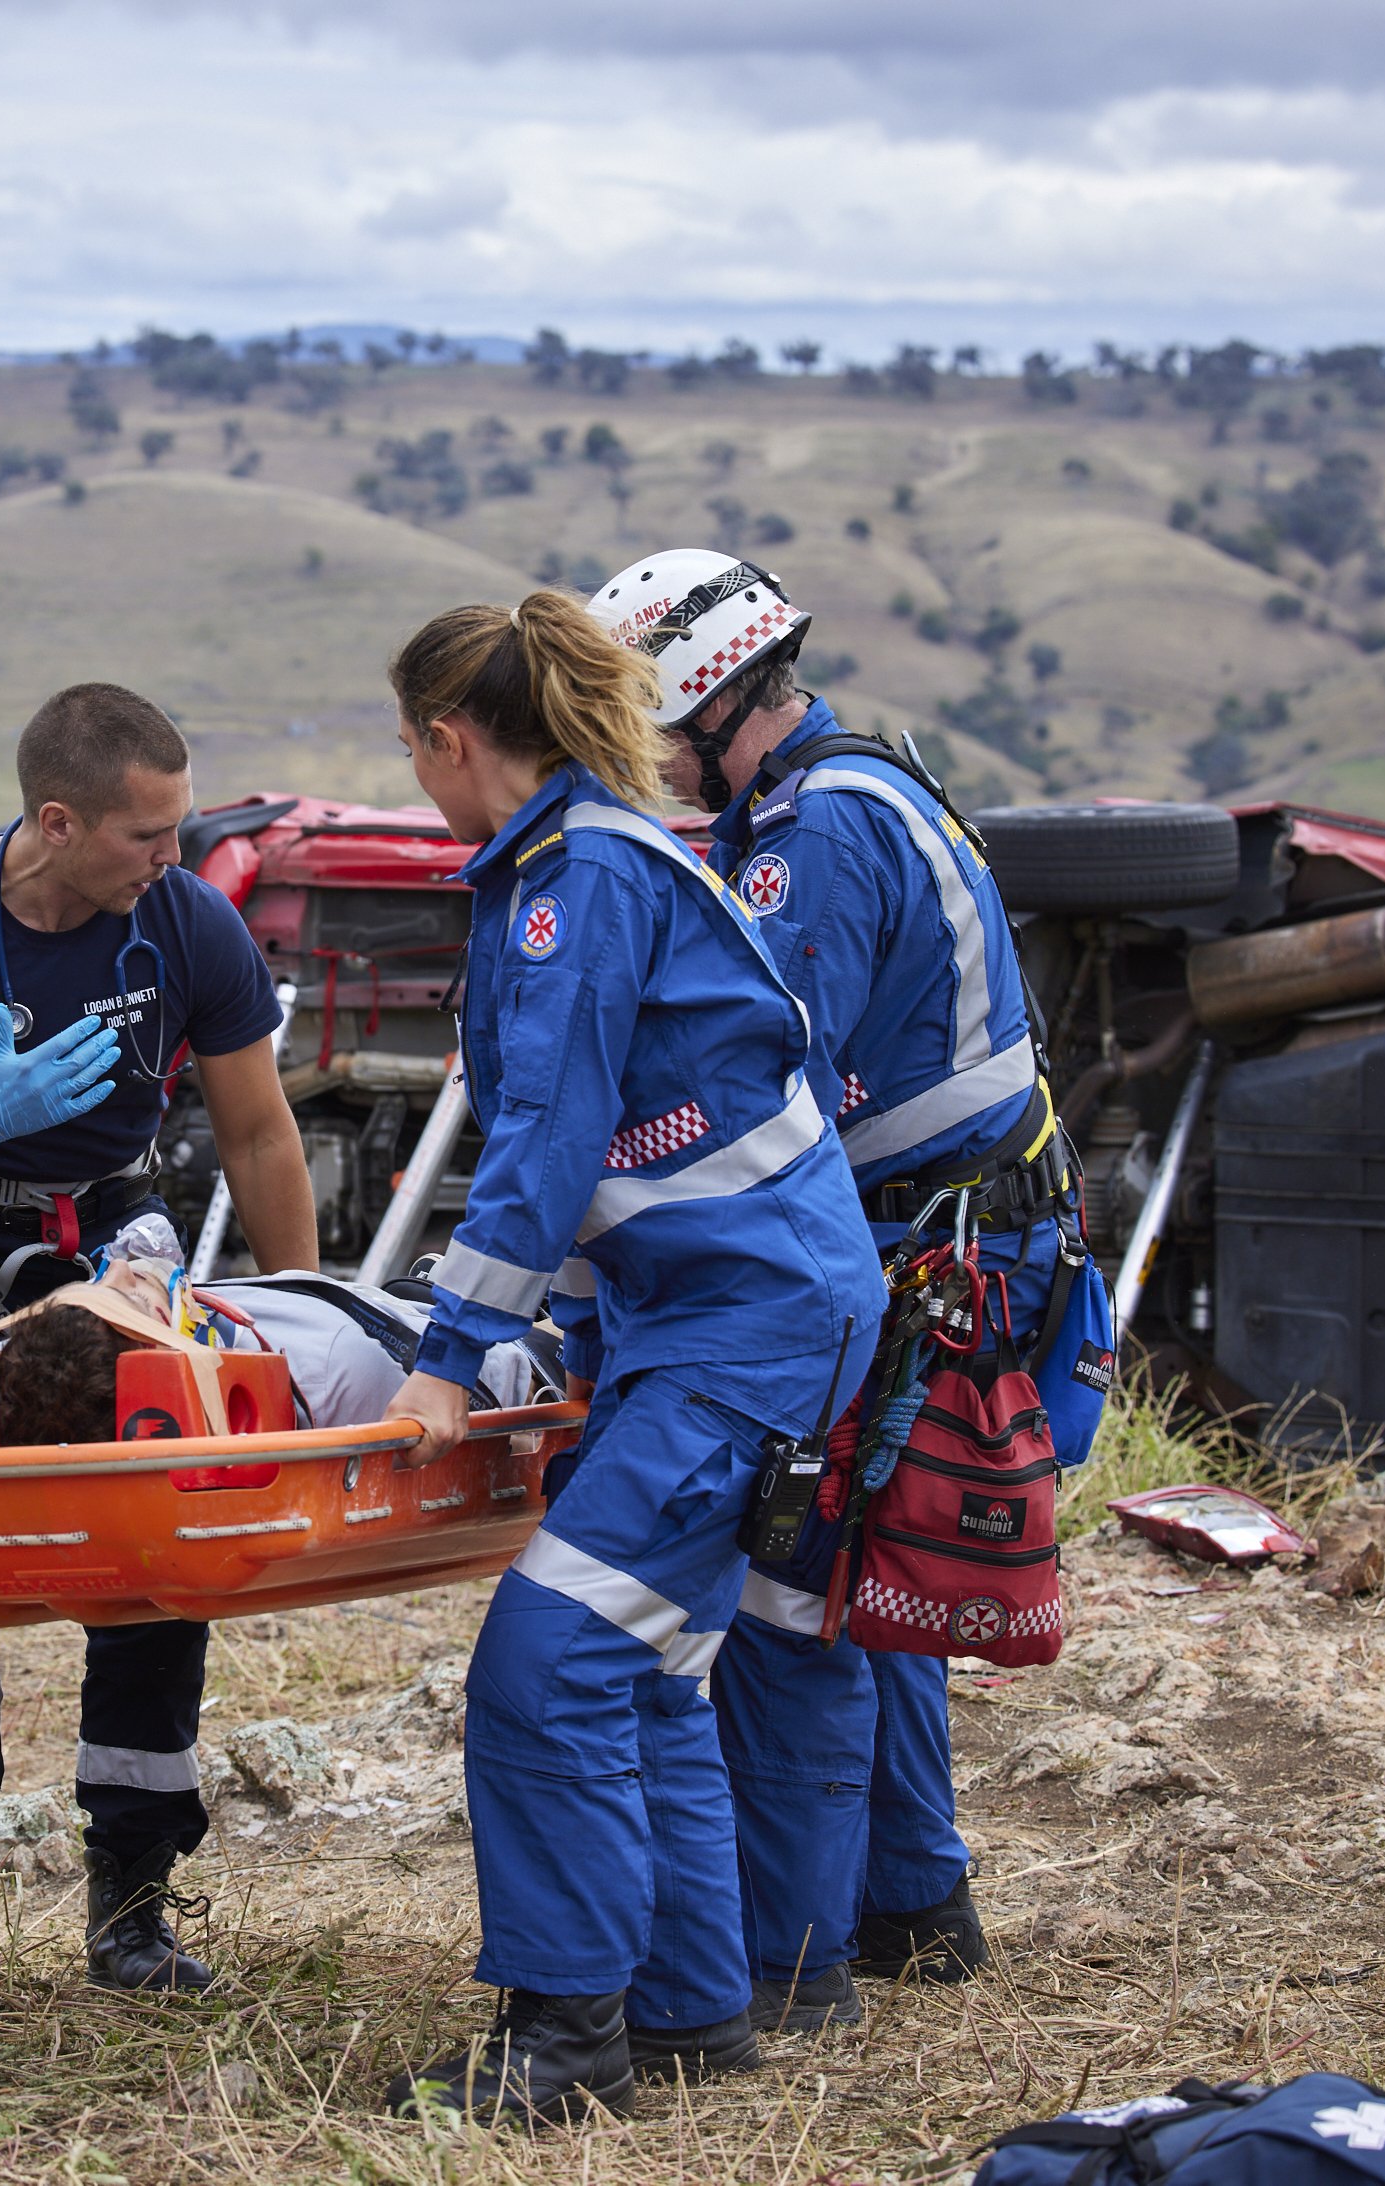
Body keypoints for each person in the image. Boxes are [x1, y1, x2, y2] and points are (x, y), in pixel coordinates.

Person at [371, 593, 884, 2126]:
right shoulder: (583, 857)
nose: (414, 774)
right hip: (724, 1317)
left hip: (748, 1327)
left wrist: (450, 1356)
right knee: (651, 1659)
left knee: (549, 1662)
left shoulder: (580, 877)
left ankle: (564, 2043)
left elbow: (549, 1138)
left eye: (412, 751)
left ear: (452, 740)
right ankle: (686, 2010)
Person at [586, 549, 1103, 2036]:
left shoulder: (808, 840)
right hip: (962, 1239)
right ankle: (913, 1902)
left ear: (699, 698)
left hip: (920, 1249)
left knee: (787, 1592)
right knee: (870, 1576)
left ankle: (791, 1962)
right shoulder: (866, 782)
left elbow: (761, 1081)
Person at [0, 682, 317, 1997]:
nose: (171, 861)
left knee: (155, 1548)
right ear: (56, 821)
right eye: (146, 838)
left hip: (115, 1230)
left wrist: (296, 1319)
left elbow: (259, 1134)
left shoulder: (186, 923)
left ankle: (133, 1903)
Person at [0, 1257, 568, 1441]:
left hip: (406, 1318)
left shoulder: (63, 1378)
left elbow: (38, 1365)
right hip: (529, 1362)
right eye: (131, 1286)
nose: (123, 1263)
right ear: (165, 1331)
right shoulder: (328, 1364)